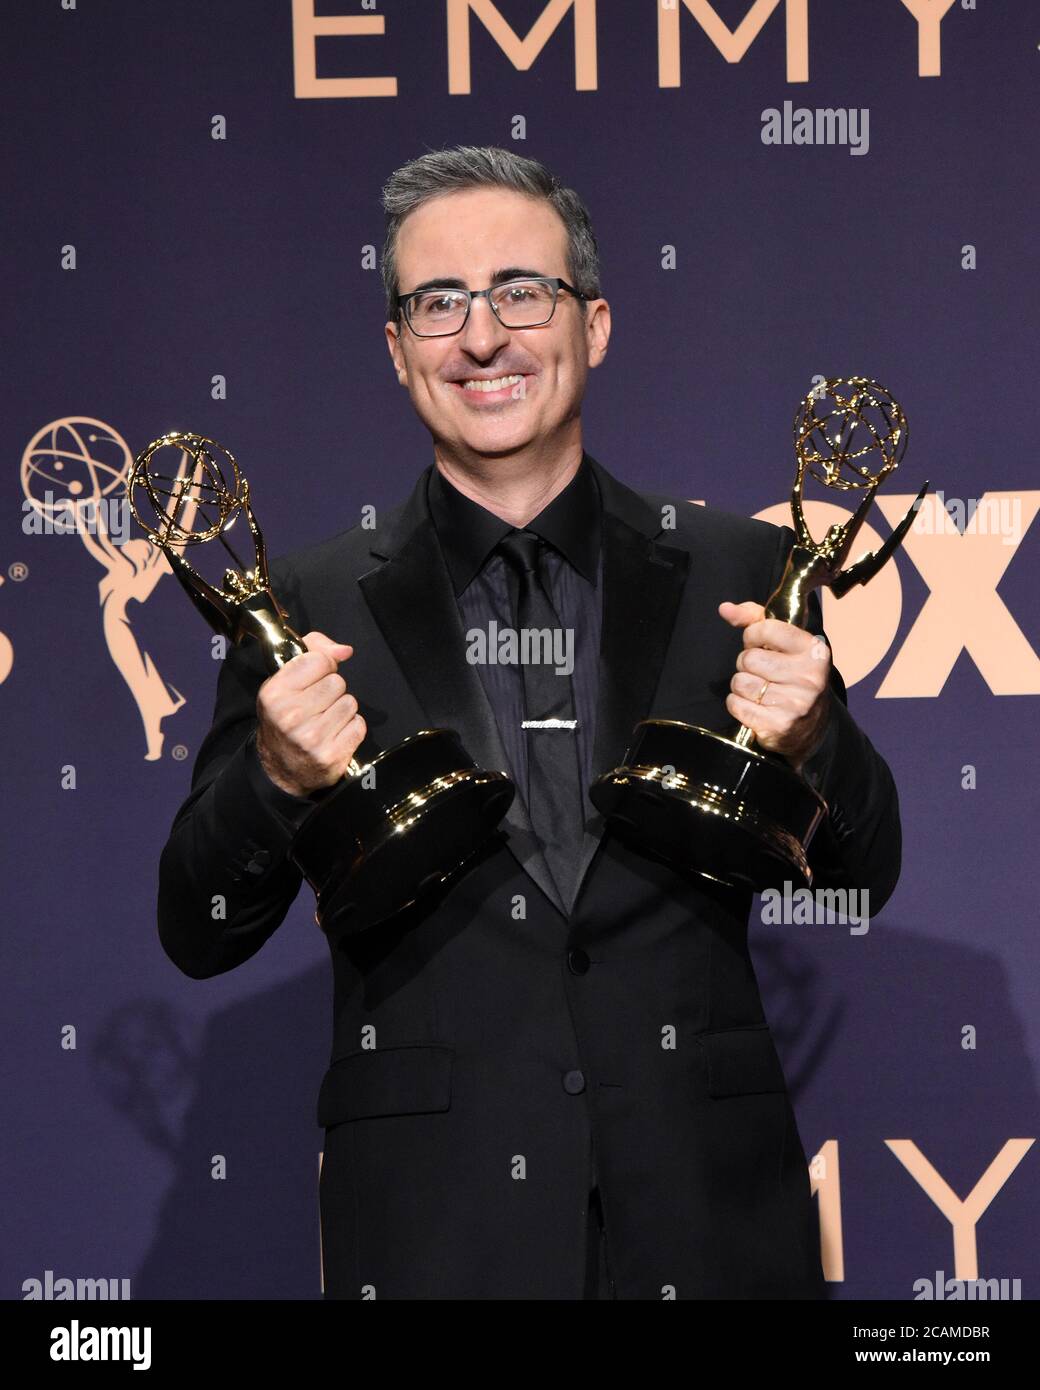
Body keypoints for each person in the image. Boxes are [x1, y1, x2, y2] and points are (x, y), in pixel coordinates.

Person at [157, 145, 900, 1300]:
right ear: (396, 348)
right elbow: (200, 927)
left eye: (521, 291)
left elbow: (866, 865)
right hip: (434, 1232)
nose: (483, 336)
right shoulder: (305, 600)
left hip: (709, 1222)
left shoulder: (736, 567)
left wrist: (818, 745)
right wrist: (270, 776)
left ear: (592, 324)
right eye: (437, 303)